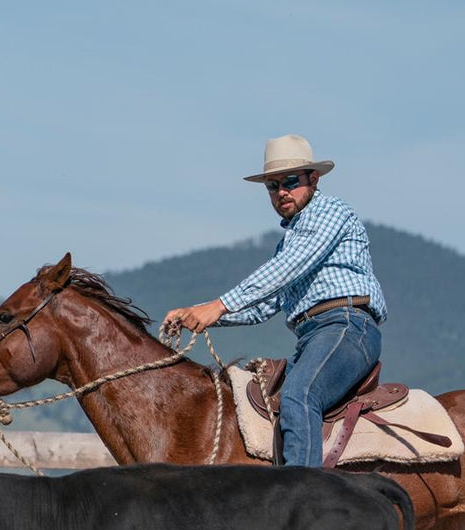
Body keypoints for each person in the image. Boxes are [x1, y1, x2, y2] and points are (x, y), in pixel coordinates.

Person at [163, 134, 387, 468]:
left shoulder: (330, 212)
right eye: (273, 185)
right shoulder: (288, 243)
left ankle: (305, 502)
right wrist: (199, 314)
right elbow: (265, 305)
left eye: (291, 181)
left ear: (314, 178)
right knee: (275, 403)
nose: (282, 191)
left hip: (346, 326)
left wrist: (217, 306)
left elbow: (285, 269)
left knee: (299, 395)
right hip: (313, 336)